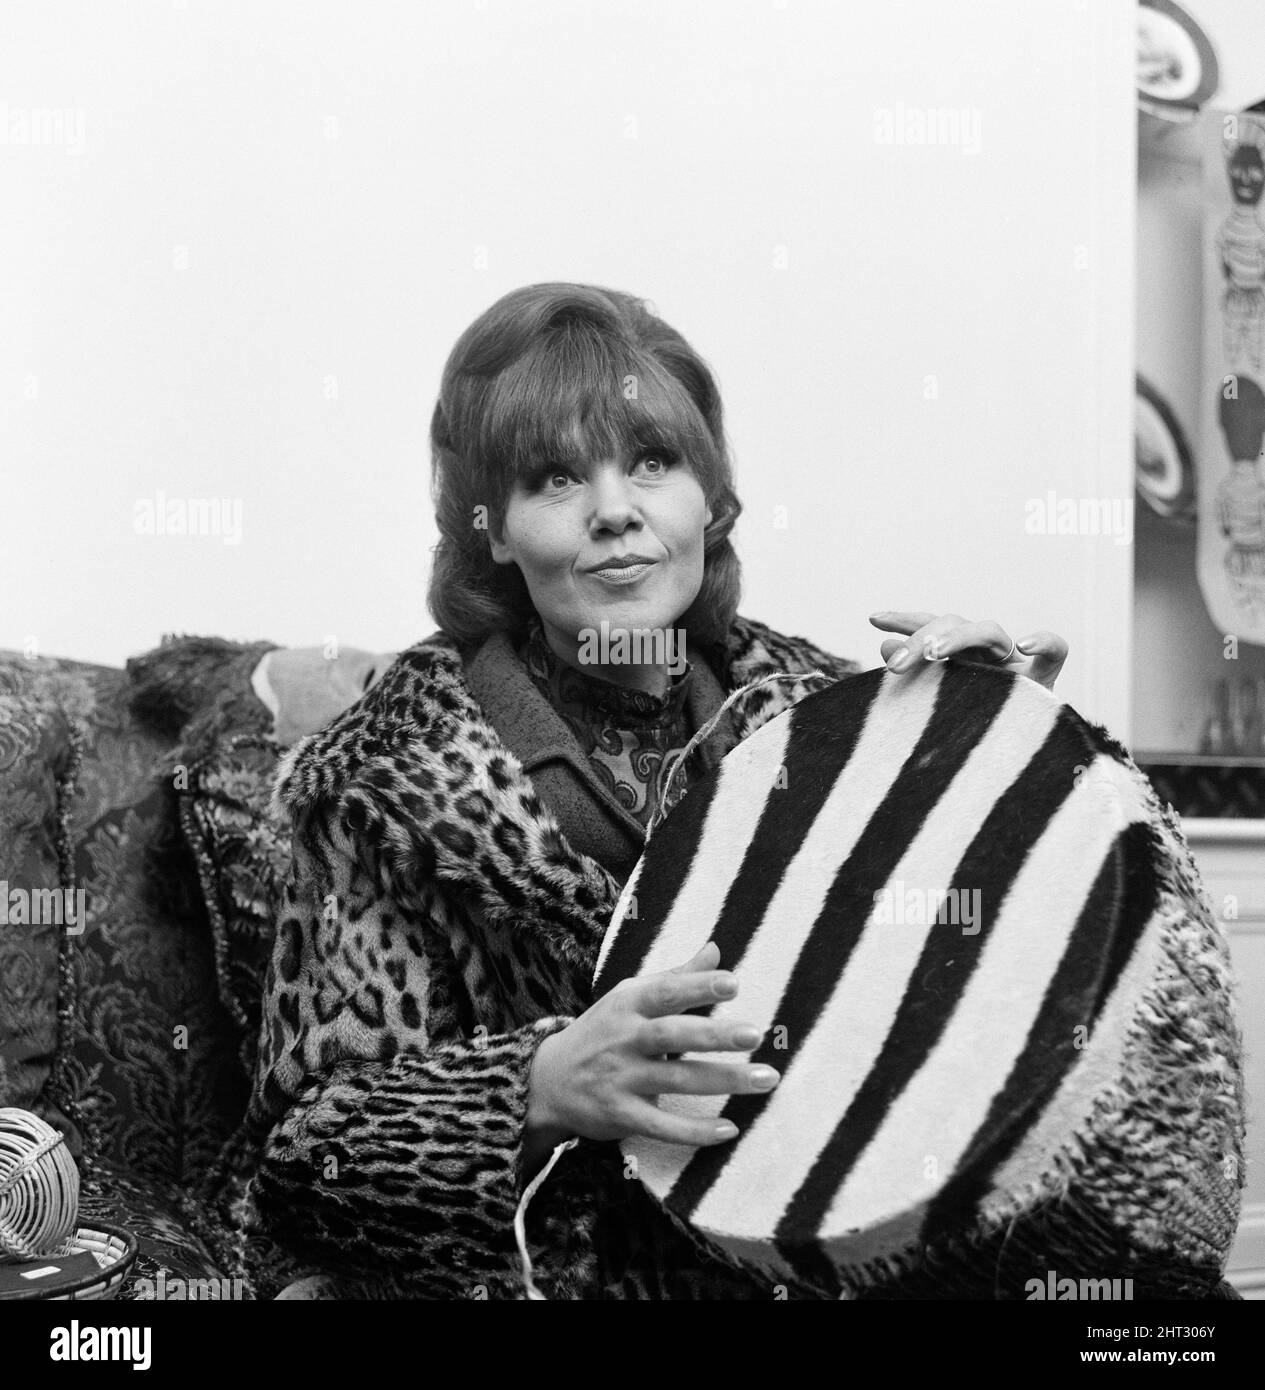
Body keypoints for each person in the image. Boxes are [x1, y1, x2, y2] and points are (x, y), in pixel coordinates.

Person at [242, 282, 1068, 1299]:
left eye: (651, 461)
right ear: (492, 529)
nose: (615, 510)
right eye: (554, 477)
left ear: (707, 498)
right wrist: (538, 1088)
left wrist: (1003, 762)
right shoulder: (379, 785)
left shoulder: (828, 716)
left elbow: (959, 993)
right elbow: (303, 1162)